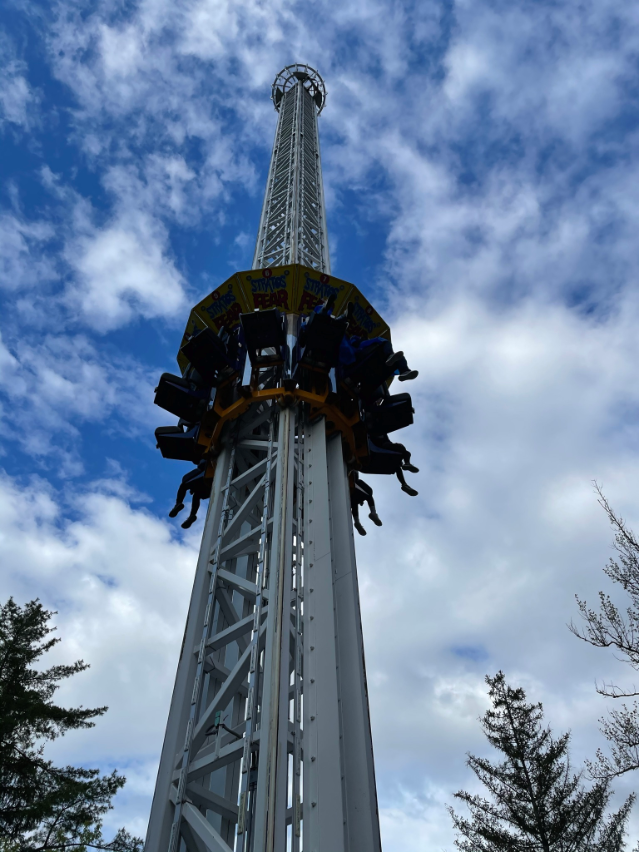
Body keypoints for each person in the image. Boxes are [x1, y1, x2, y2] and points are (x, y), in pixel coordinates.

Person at [339, 335, 418, 382]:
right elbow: (377, 340)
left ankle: (405, 372)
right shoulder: (355, 345)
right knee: (384, 341)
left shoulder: (352, 345)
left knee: (399, 357)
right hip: (362, 361)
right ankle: (400, 367)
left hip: (372, 365)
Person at [169, 460, 212, 529]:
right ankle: (192, 515)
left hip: (206, 472)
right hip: (210, 483)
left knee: (184, 485)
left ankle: (179, 503)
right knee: (197, 495)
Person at [350, 471, 382, 536]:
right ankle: (373, 513)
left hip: (352, 488)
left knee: (354, 503)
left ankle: (357, 522)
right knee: (369, 493)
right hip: (352, 483)